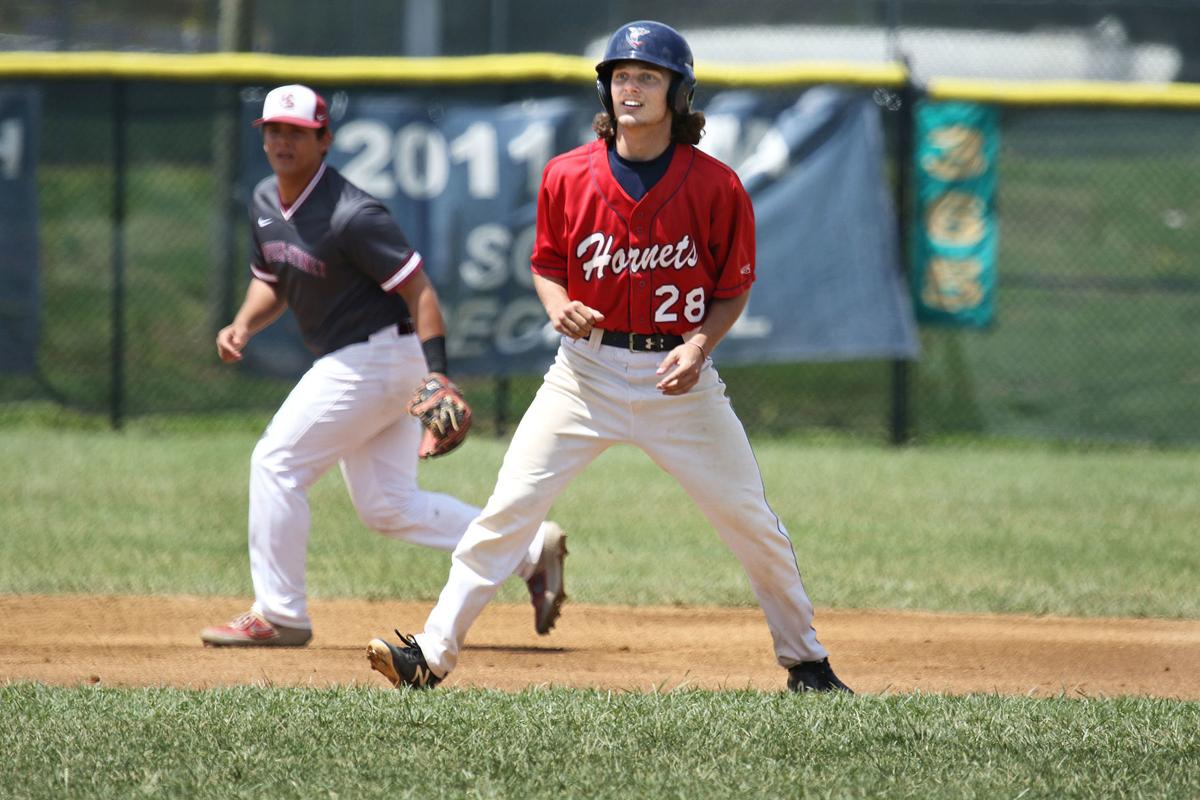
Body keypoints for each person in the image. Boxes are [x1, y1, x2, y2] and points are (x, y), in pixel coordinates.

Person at [366, 22, 851, 693]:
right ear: (606, 87)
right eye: (622, 75)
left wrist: (699, 345)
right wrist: (556, 304)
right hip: (582, 375)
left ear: (677, 93)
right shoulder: (567, 176)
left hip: (680, 383)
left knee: (751, 523)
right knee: (508, 510)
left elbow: (732, 289)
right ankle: (430, 653)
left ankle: (808, 664)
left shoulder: (716, 187)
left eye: (648, 77)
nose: (632, 87)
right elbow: (545, 266)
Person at [200, 84, 567, 647]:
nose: (281, 141)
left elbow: (420, 290)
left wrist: (437, 373)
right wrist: (244, 324)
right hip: (360, 360)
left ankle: (281, 614)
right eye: (273, 130)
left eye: (296, 132)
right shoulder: (265, 202)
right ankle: (529, 549)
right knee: (389, 508)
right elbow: (272, 279)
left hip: (377, 355)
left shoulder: (353, 214)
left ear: (324, 139)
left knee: (277, 462)